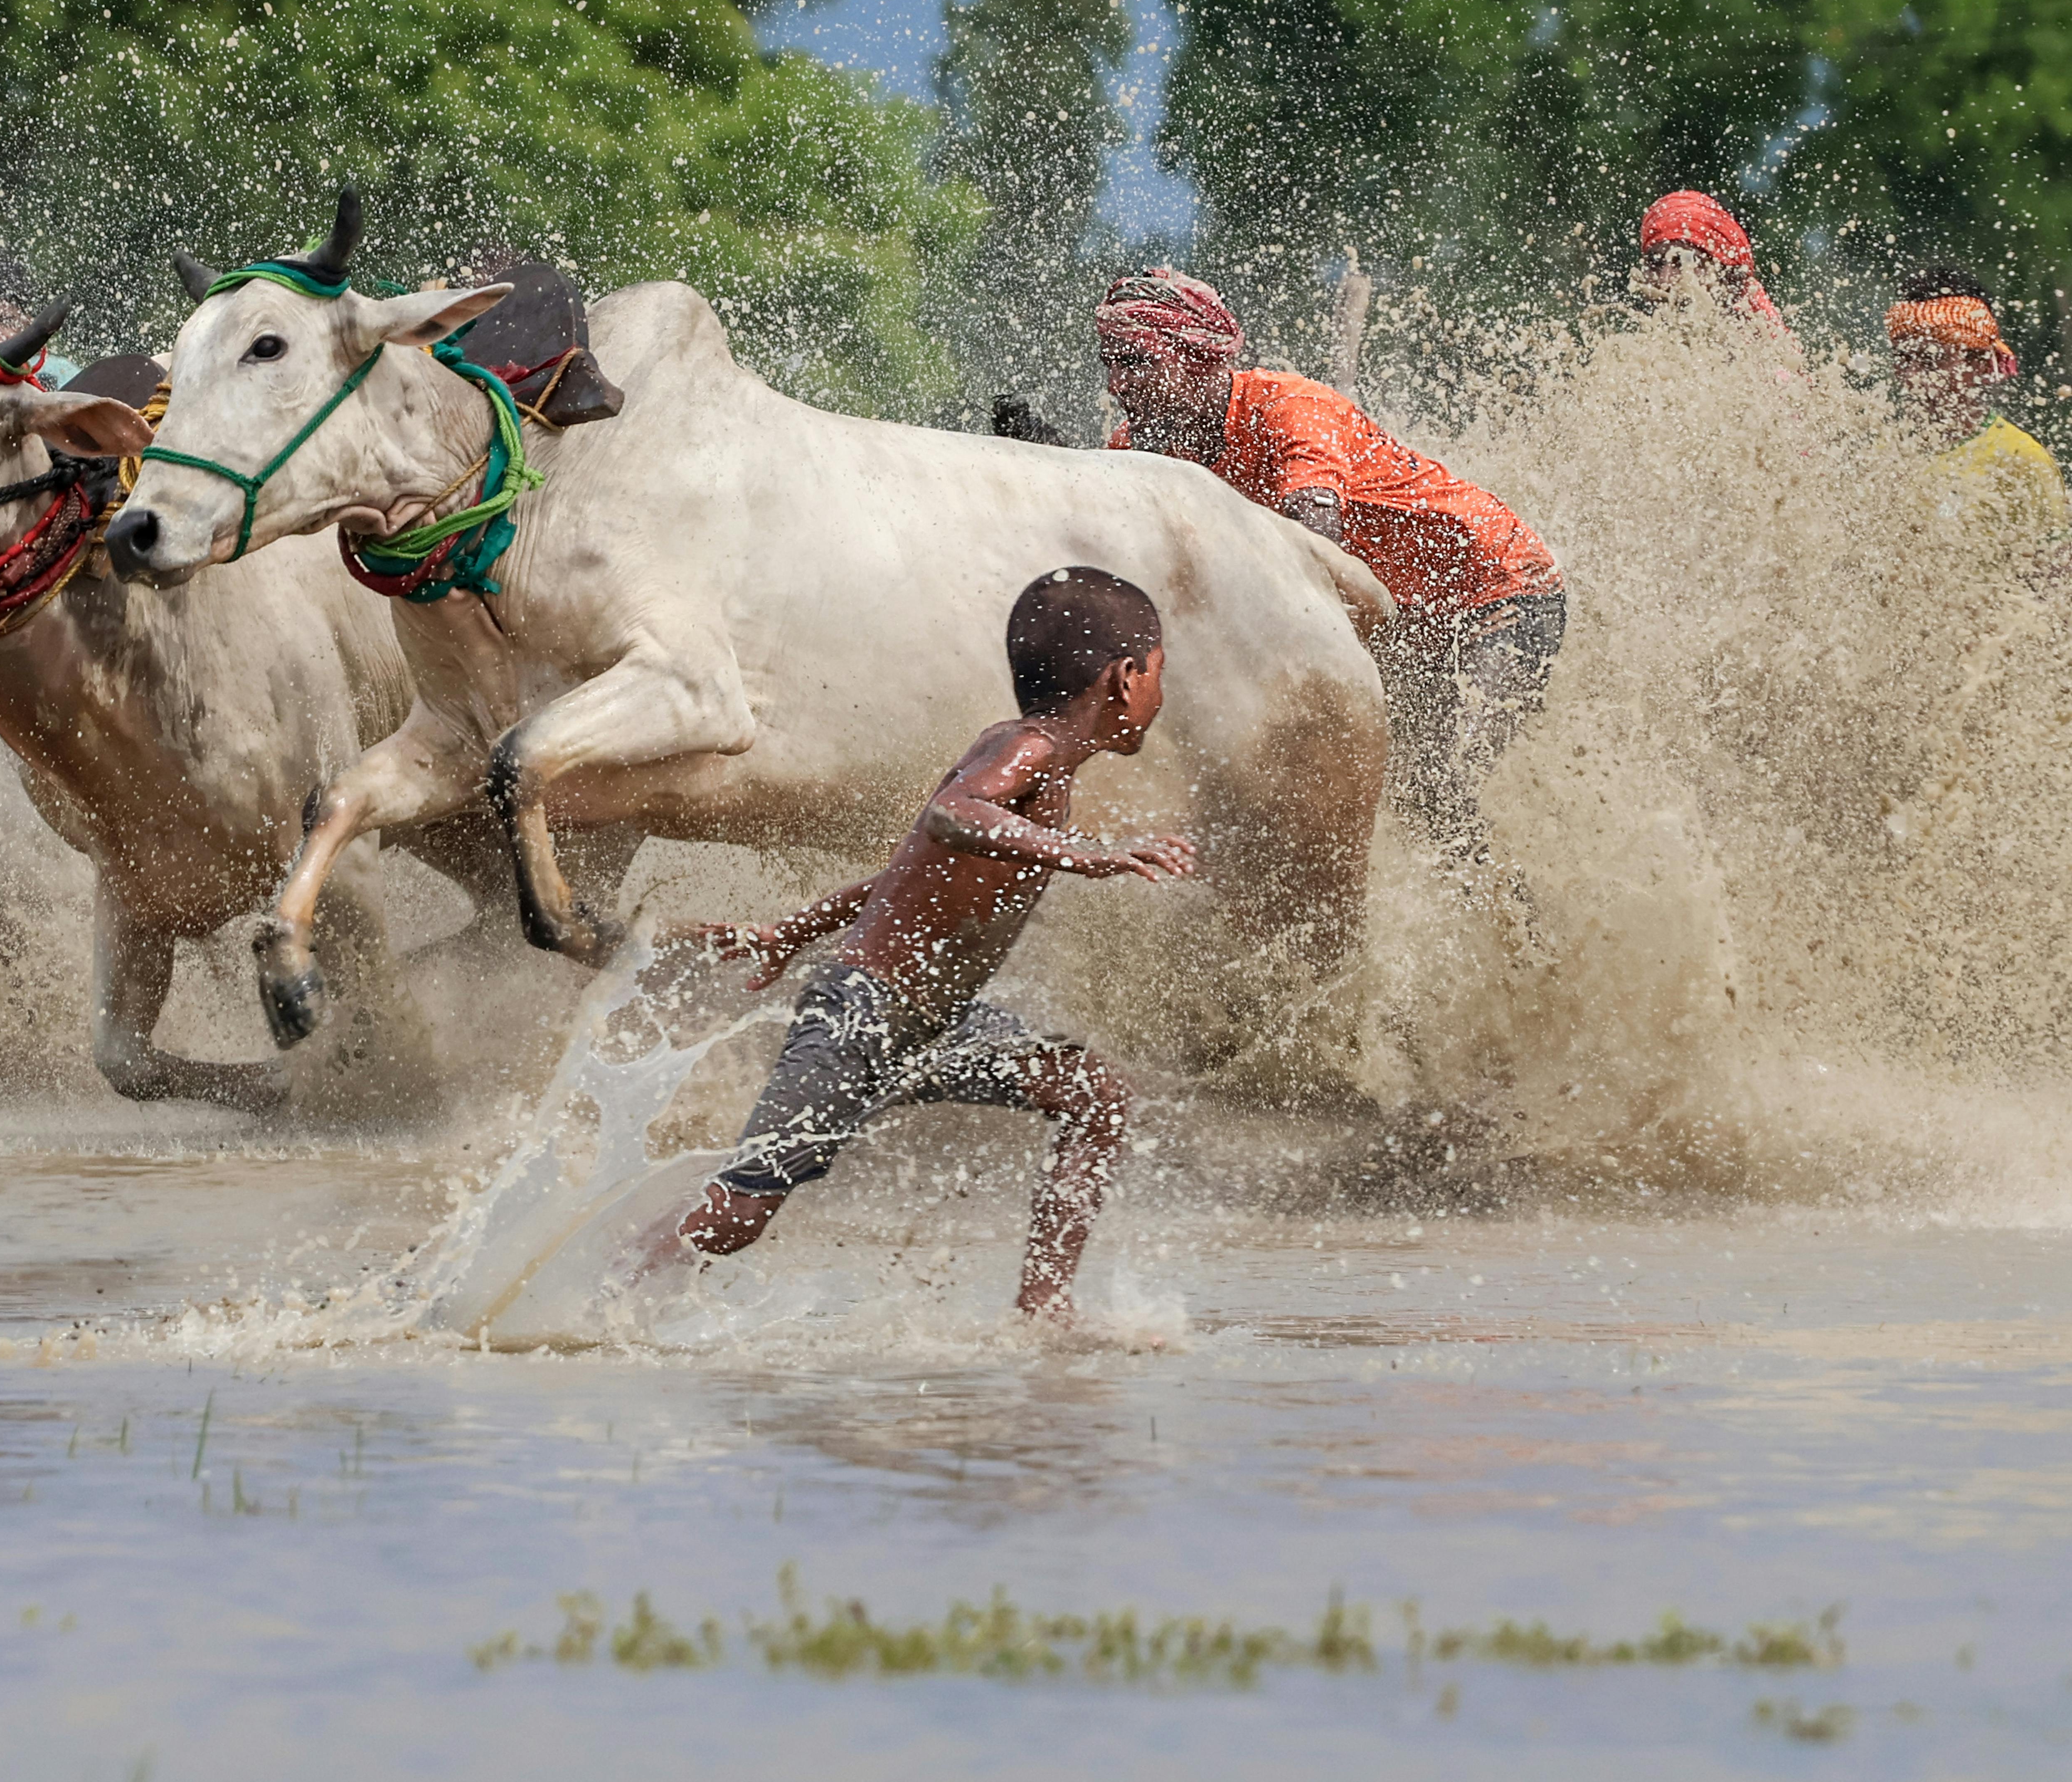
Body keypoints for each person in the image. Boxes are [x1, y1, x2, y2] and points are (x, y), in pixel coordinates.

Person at [654, 567, 1175, 1321]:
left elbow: (908, 867)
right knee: (736, 1219)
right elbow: (951, 814)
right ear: (1125, 680)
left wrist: (790, 930)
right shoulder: (1026, 748)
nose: (1162, 692)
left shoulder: (1045, 764)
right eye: (1161, 672)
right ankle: (590, 1289)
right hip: (864, 1016)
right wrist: (1087, 855)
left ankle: (1045, 1309)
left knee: (1096, 1095)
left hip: (937, 1019)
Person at [1096, 268, 1563, 874]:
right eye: (1110, 362)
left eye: (1136, 361)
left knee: (1437, 781)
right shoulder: (1138, 450)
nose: (1118, 383)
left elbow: (1316, 545)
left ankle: (1519, 929)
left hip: (1500, 594)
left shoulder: (1292, 407)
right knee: (1383, 789)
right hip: (1396, 623)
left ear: (1202, 360)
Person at [1886, 269, 2070, 557]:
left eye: (1932, 361)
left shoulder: (2023, 461)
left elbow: (2055, 579)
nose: (1912, 377)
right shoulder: (1884, 454)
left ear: (1982, 364)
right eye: (1904, 359)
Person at [1629, 190, 1789, 333]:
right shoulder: (1629, 355)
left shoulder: (1768, 357)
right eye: (1655, 263)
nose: (1665, 280)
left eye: (1685, 262)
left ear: (1727, 274)